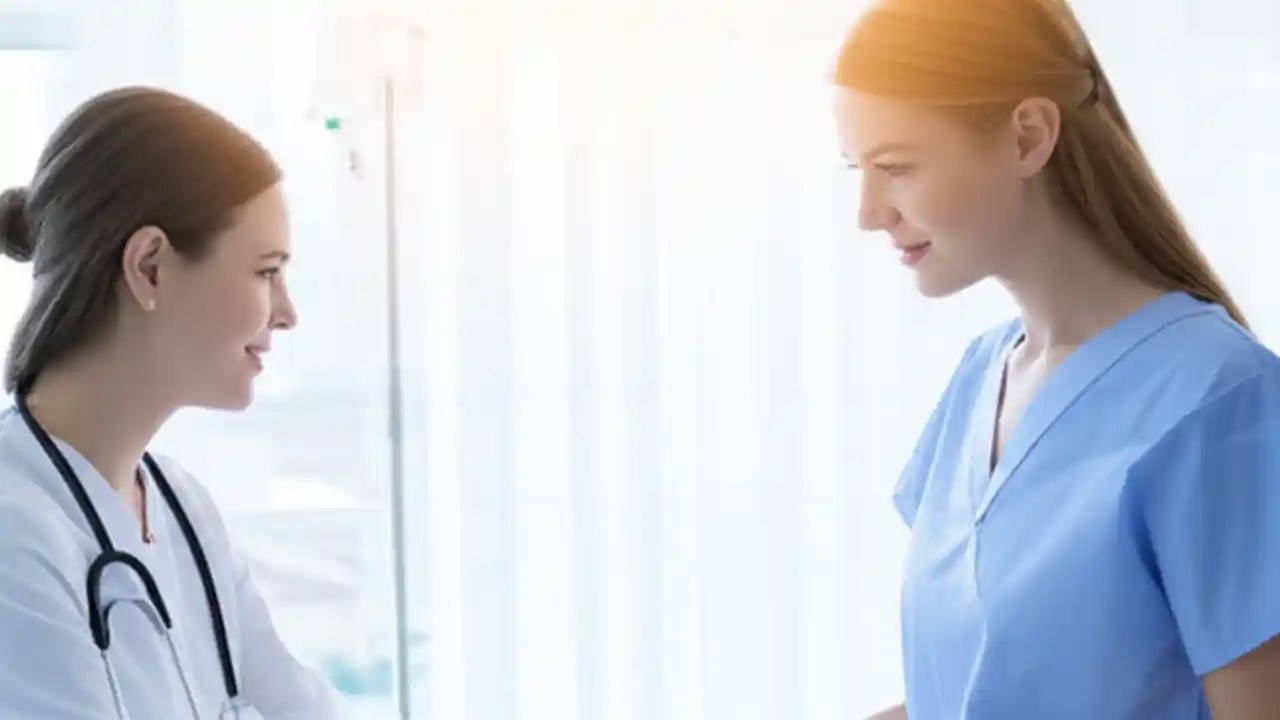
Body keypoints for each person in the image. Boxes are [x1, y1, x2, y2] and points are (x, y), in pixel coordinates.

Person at [832, 1, 1280, 718]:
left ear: (1028, 137)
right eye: (858, 170)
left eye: (895, 167)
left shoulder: (1220, 399)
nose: (867, 211)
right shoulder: (980, 378)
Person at [0, 87, 339, 718]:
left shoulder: (184, 509)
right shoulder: (14, 529)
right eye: (266, 272)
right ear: (150, 266)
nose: (287, 313)